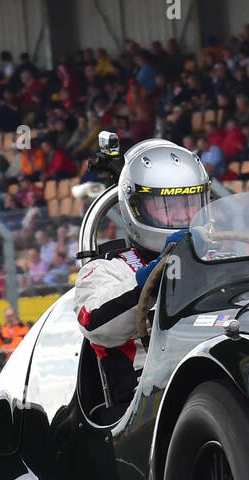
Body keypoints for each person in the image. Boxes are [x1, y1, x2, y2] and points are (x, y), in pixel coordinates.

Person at [74, 138, 211, 417]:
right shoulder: (108, 269)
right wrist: (154, 277)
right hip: (146, 403)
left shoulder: (222, 256)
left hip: (218, 378)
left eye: (190, 203)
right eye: (167, 207)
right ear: (135, 207)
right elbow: (93, 323)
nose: (182, 216)